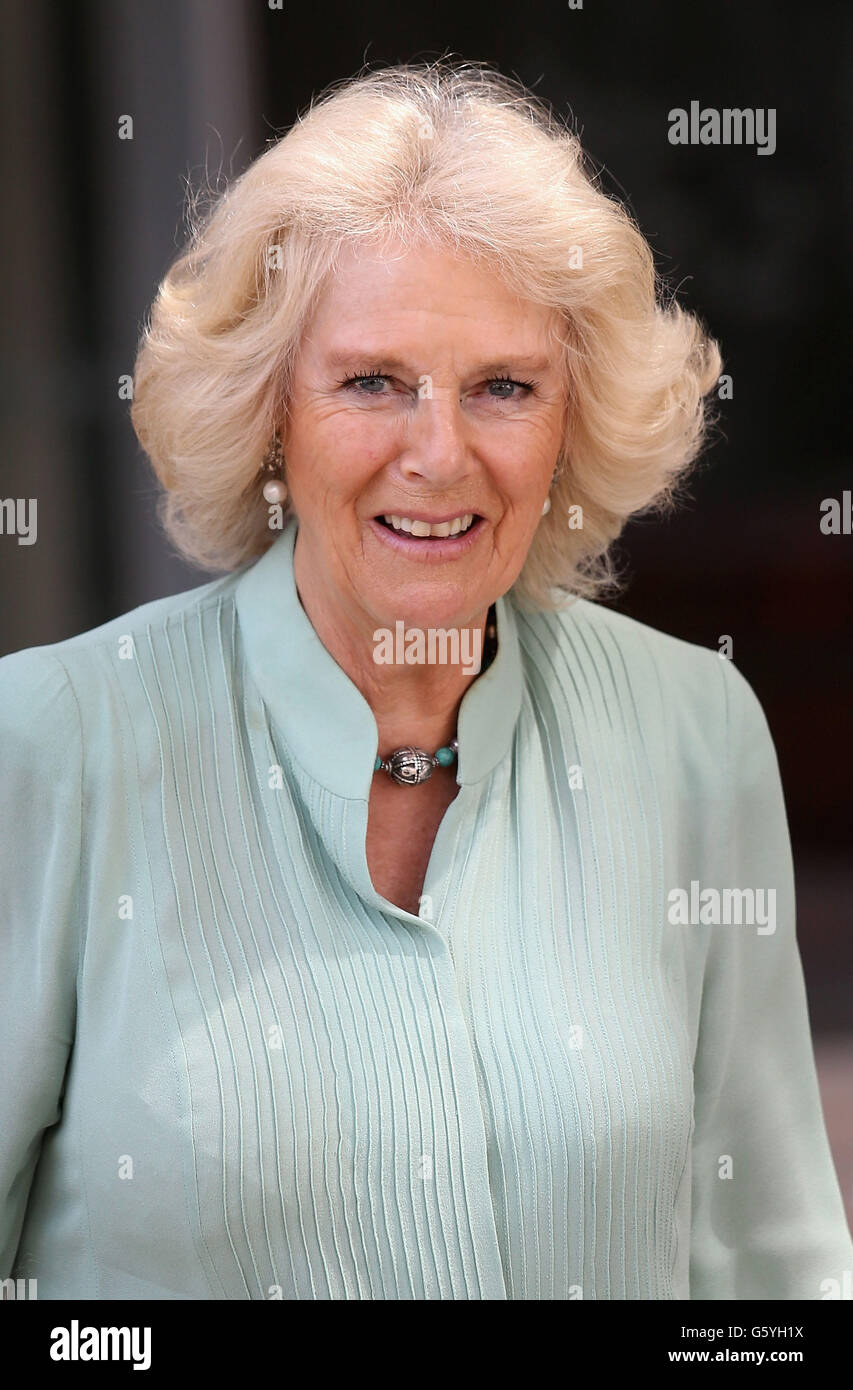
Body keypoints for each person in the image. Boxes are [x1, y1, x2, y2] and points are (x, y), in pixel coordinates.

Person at [1, 61, 850, 1301]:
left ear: (572, 422)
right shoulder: (49, 744)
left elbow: (773, 1273)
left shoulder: (692, 734)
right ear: (272, 411)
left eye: (504, 387)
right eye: (373, 382)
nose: (438, 454)